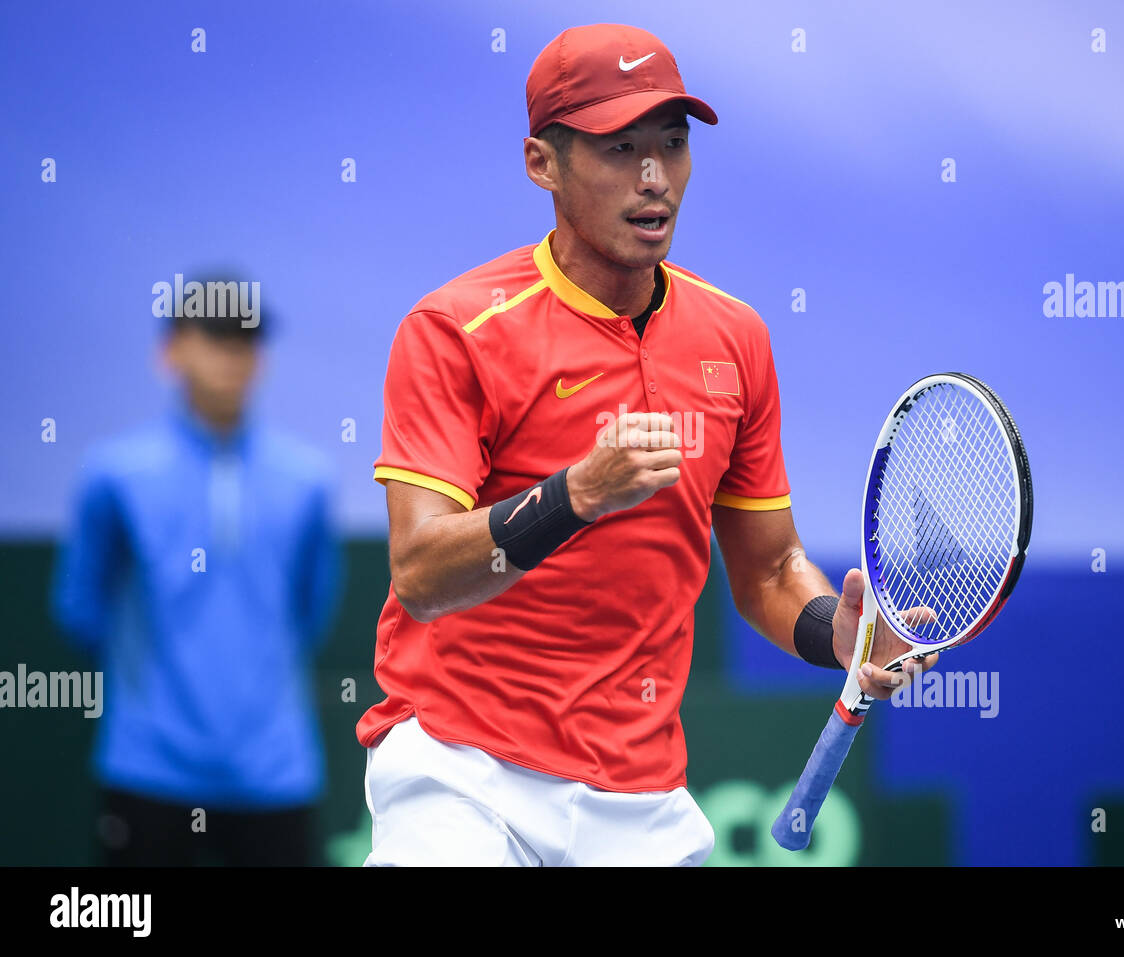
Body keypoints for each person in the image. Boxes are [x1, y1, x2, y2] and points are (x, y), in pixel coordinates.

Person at [359, 23, 935, 866]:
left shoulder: (735, 338)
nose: (654, 177)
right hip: (460, 766)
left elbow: (769, 571)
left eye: (671, 143)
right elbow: (418, 577)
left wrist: (834, 633)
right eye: (618, 148)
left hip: (639, 793)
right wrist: (575, 495)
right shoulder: (456, 330)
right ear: (541, 163)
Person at [51, 276, 341, 866]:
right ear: (171, 351)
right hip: (148, 772)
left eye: (246, 340)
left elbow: (312, 609)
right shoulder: (115, 473)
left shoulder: (306, 479)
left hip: (274, 773)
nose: (232, 355)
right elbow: (81, 607)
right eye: (214, 336)